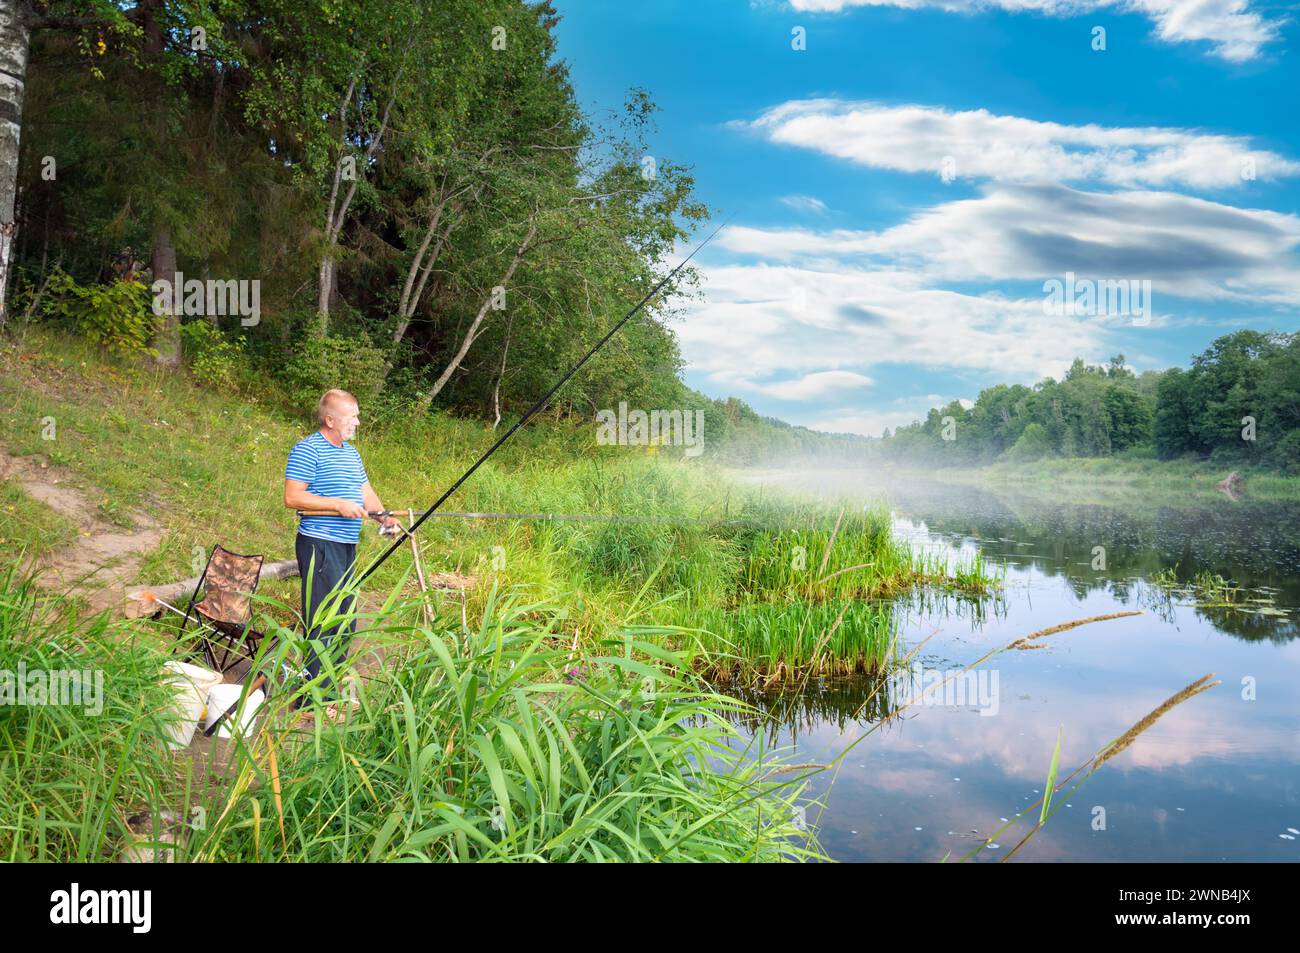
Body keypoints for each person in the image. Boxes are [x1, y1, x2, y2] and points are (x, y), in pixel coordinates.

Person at [283, 389, 396, 720]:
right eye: (352, 416)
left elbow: (365, 493)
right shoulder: (307, 450)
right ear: (330, 419)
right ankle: (309, 701)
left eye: (357, 415)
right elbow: (293, 497)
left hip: (345, 546)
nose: (357, 422)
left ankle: (328, 692)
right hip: (318, 543)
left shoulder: (350, 454)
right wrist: (337, 504)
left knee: (345, 619)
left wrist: (384, 517)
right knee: (323, 620)